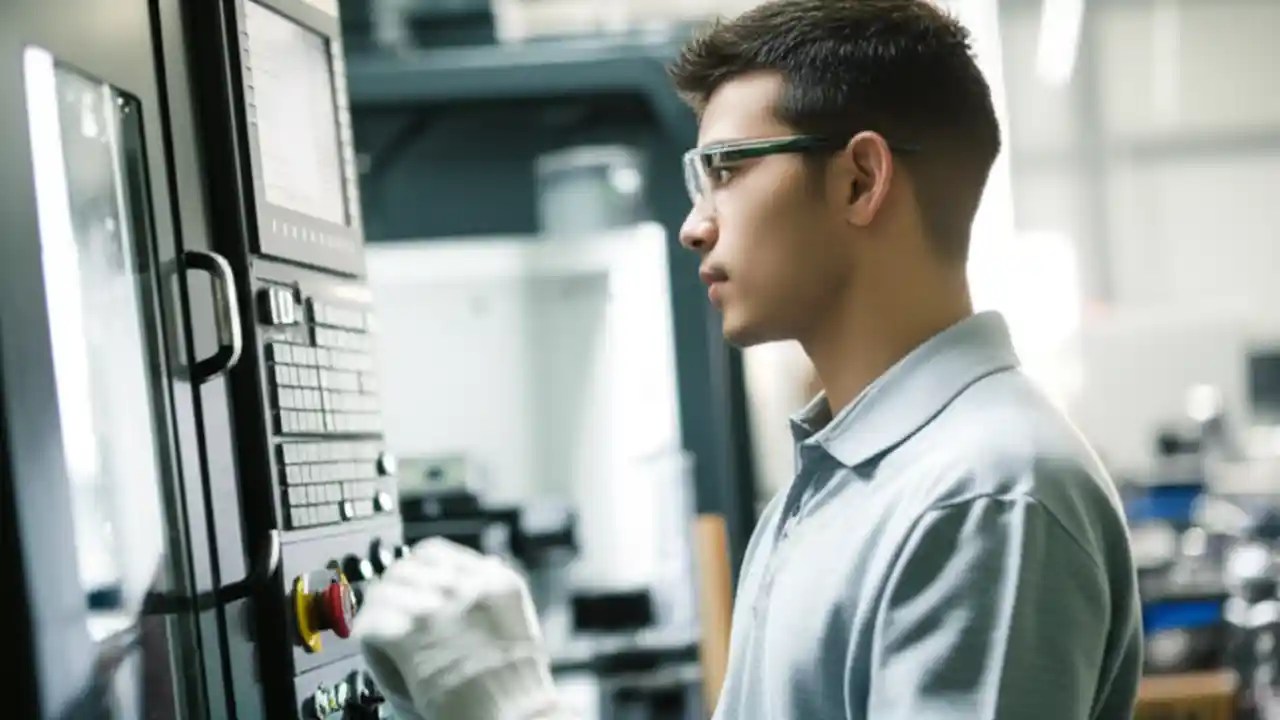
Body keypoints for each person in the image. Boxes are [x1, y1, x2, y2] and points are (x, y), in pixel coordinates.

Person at [352, 1, 1144, 718]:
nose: (694, 225)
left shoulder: (983, 491)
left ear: (860, 180)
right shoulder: (835, 483)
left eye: (726, 171)